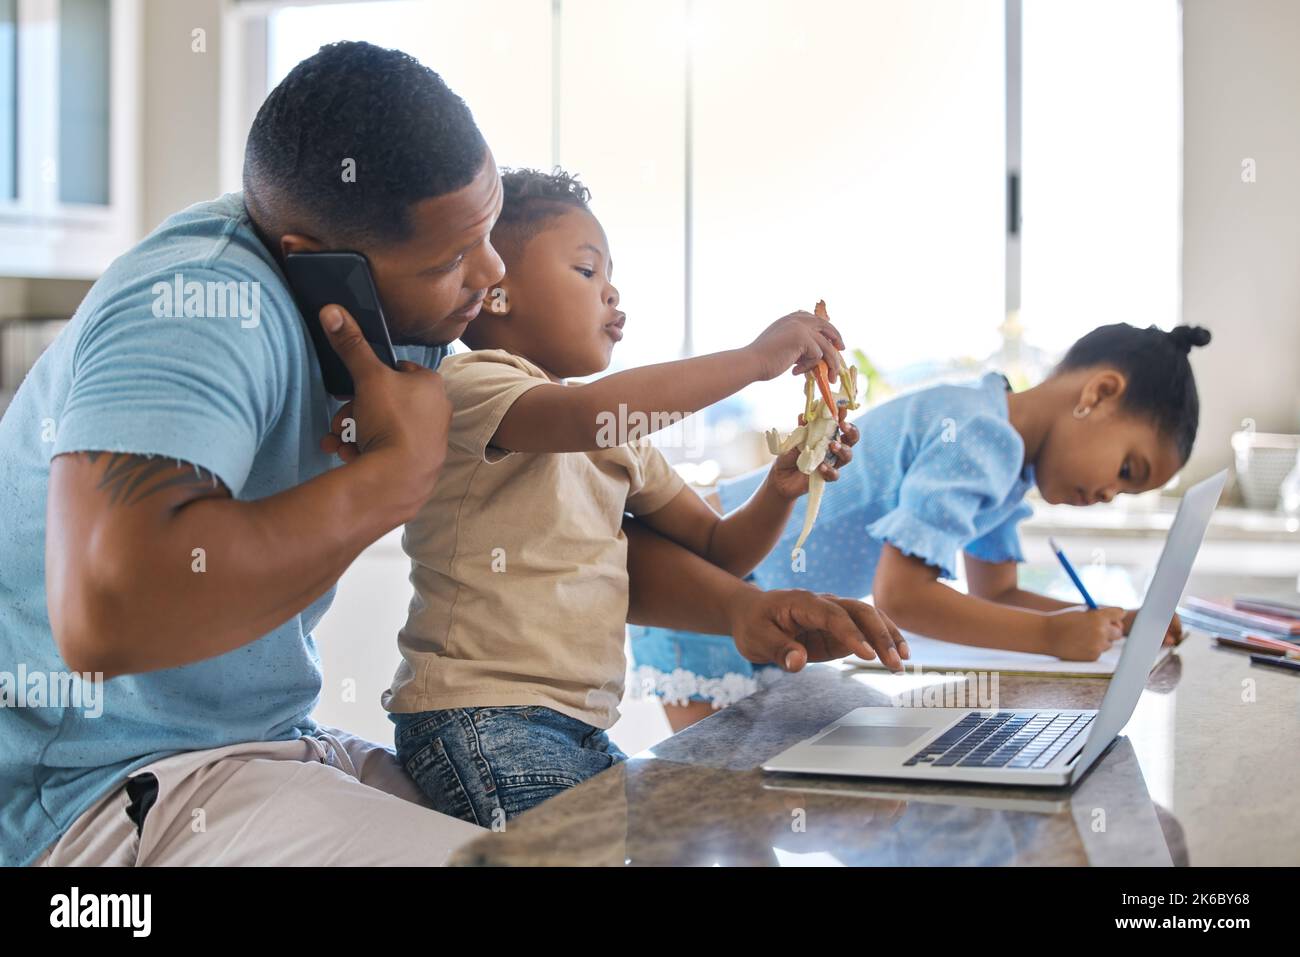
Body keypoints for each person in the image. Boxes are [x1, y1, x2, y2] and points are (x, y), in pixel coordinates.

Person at [0, 42, 900, 867]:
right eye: (452, 259)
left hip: (271, 739)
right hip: (104, 792)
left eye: (490, 234)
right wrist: (393, 475)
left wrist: (742, 608)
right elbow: (105, 616)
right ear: (320, 262)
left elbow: (572, 528)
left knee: (632, 840)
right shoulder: (196, 304)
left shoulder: (411, 320)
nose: (492, 277)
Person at [379, 167, 906, 825]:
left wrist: (781, 485)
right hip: (481, 714)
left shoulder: (618, 437)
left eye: (611, 275)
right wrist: (751, 360)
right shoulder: (474, 384)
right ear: (496, 294)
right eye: (586, 271)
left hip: (580, 725)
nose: (612, 291)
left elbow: (722, 548)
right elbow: (590, 416)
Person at [632, 323, 1211, 731]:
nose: (1110, 495)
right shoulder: (983, 438)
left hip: (759, 599)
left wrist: (1103, 624)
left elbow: (997, 593)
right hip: (703, 591)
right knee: (714, 809)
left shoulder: (1000, 444)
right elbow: (902, 596)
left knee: (742, 817)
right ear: (1100, 393)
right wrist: (1052, 636)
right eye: (1127, 470)